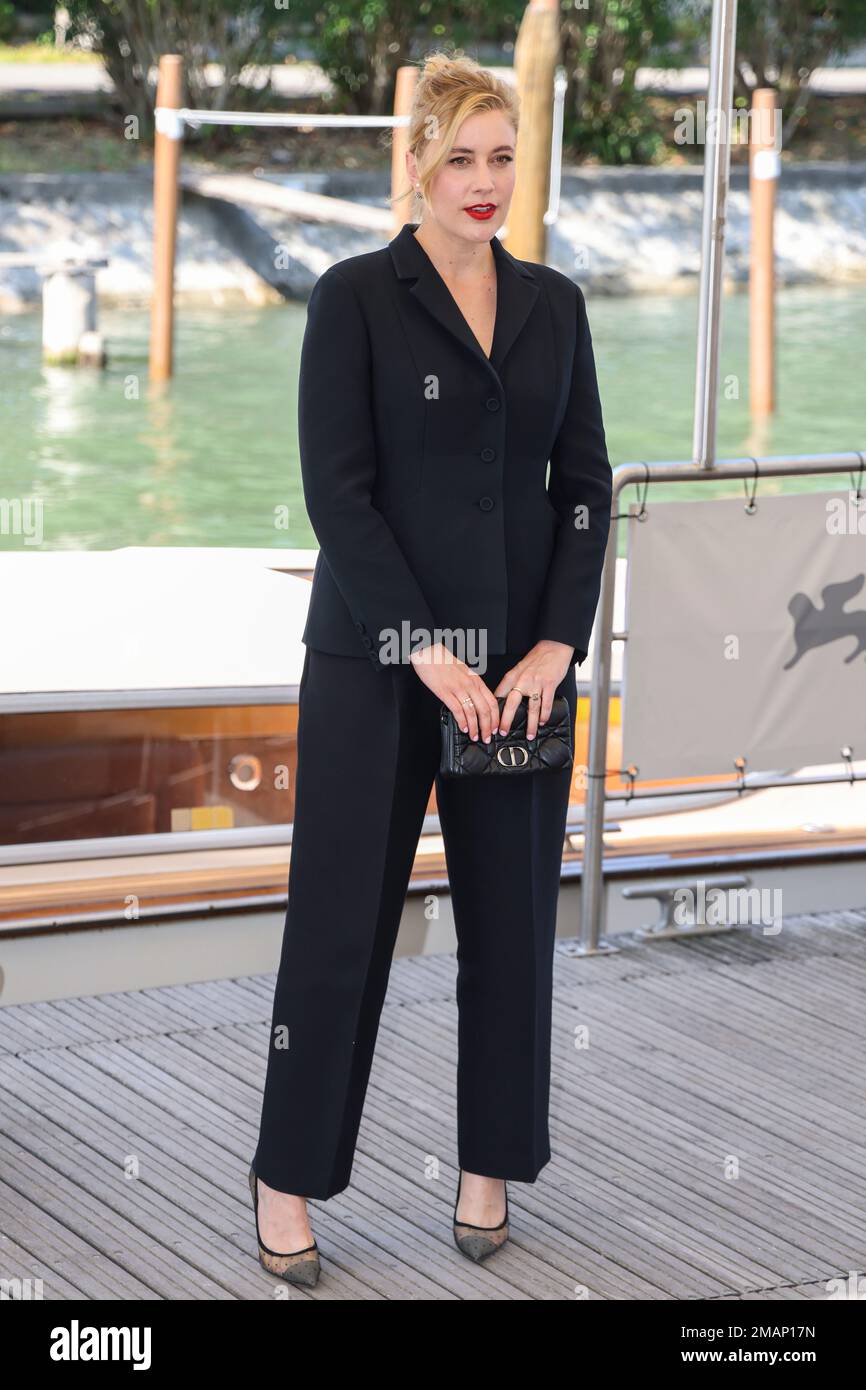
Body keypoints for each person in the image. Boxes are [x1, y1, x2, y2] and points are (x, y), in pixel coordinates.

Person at [249, 49, 612, 1285]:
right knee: (337, 931)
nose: (482, 181)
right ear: (414, 162)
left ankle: (486, 1169)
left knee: (510, 933)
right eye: (458, 156)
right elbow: (338, 501)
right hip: (371, 663)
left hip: (517, 675)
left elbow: (584, 491)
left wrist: (555, 643)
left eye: (502, 157)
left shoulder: (555, 307)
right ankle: (285, 1178)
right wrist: (423, 652)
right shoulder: (351, 297)